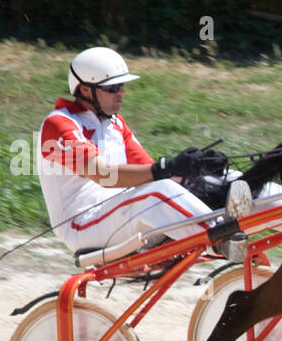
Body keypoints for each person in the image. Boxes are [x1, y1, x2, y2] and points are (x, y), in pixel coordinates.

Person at [37, 46, 250, 260]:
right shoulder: (59, 124)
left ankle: (281, 218)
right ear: (84, 90)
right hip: (82, 225)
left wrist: (198, 169)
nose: (122, 92)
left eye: (121, 85)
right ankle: (221, 240)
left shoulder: (116, 124)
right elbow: (104, 174)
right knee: (157, 191)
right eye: (113, 87)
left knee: (229, 179)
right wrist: (167, 167)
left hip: (122, 214)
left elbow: (149, 175)